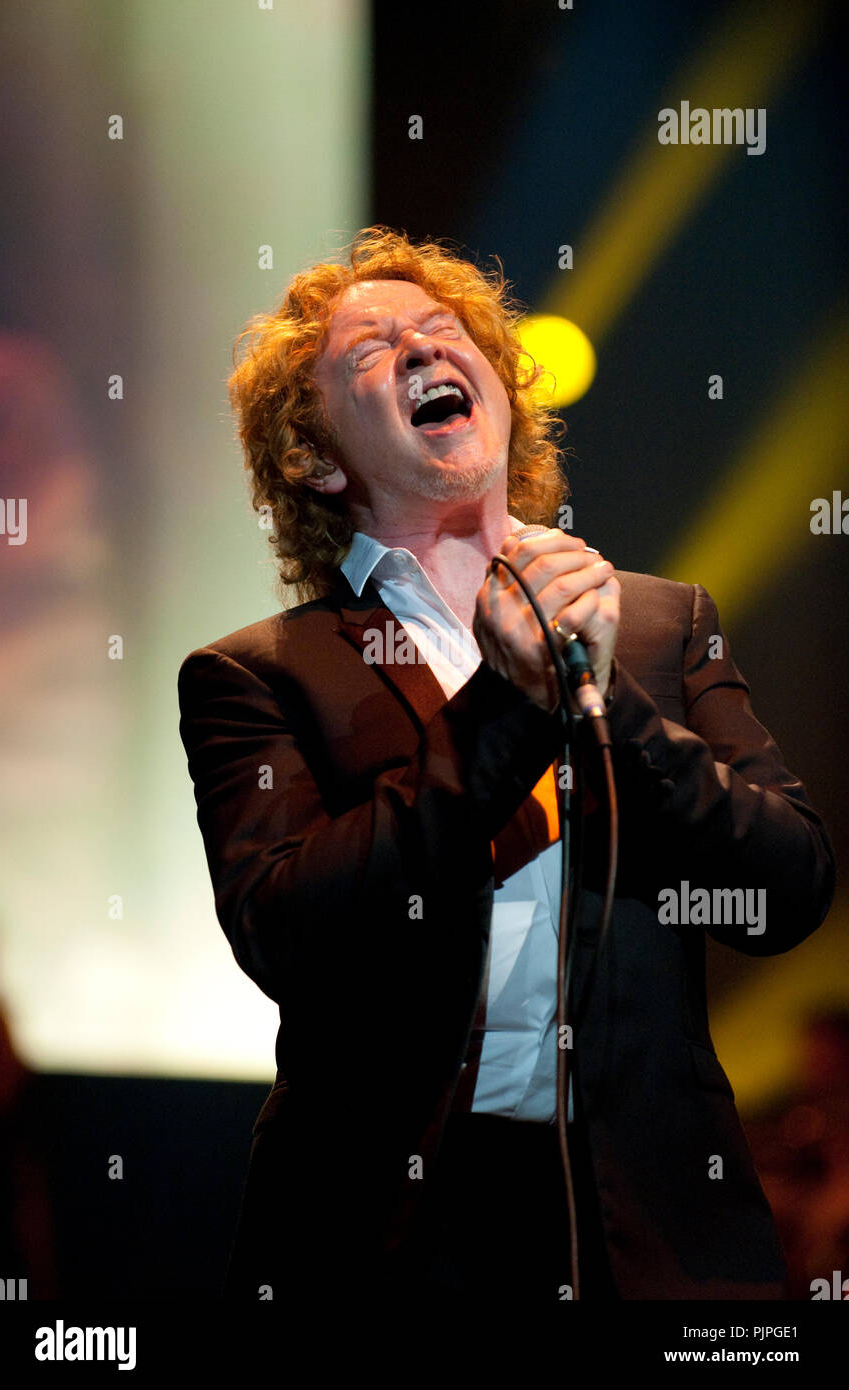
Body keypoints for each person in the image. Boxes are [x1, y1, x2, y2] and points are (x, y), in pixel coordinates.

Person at [177, 227, 835, 1307]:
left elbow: (787, 888)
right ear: (315, 455)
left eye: (444, 332)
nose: (423, 351)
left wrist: (603, 693)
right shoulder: (261, 674)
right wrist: (508, 701)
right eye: (372, 353)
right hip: (388, 1236)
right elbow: (290, 929)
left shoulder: (663, 626)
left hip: (650, 1222)